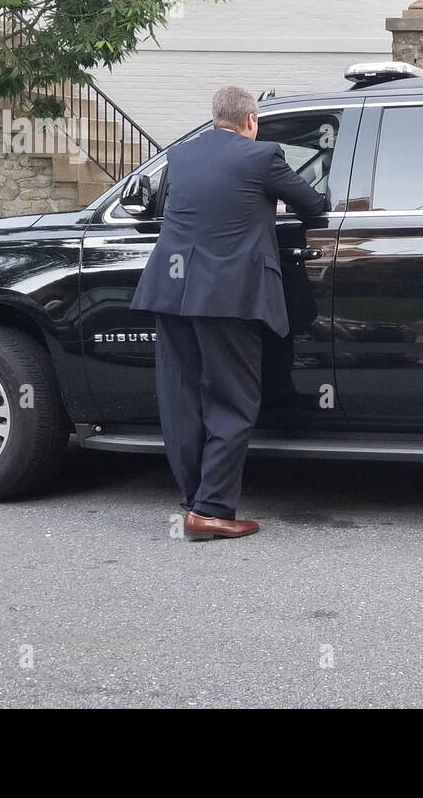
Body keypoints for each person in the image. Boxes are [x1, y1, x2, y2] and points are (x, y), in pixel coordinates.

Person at [130, 85, 326, 541]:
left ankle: (194, 499)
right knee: (232, 401)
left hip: (170, 293)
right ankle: (212, 510)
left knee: (182, 401)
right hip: (227, 299)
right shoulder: (261, 157)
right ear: (250, 121)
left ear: (215, 117)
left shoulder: (180, 156)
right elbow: (314, 207)